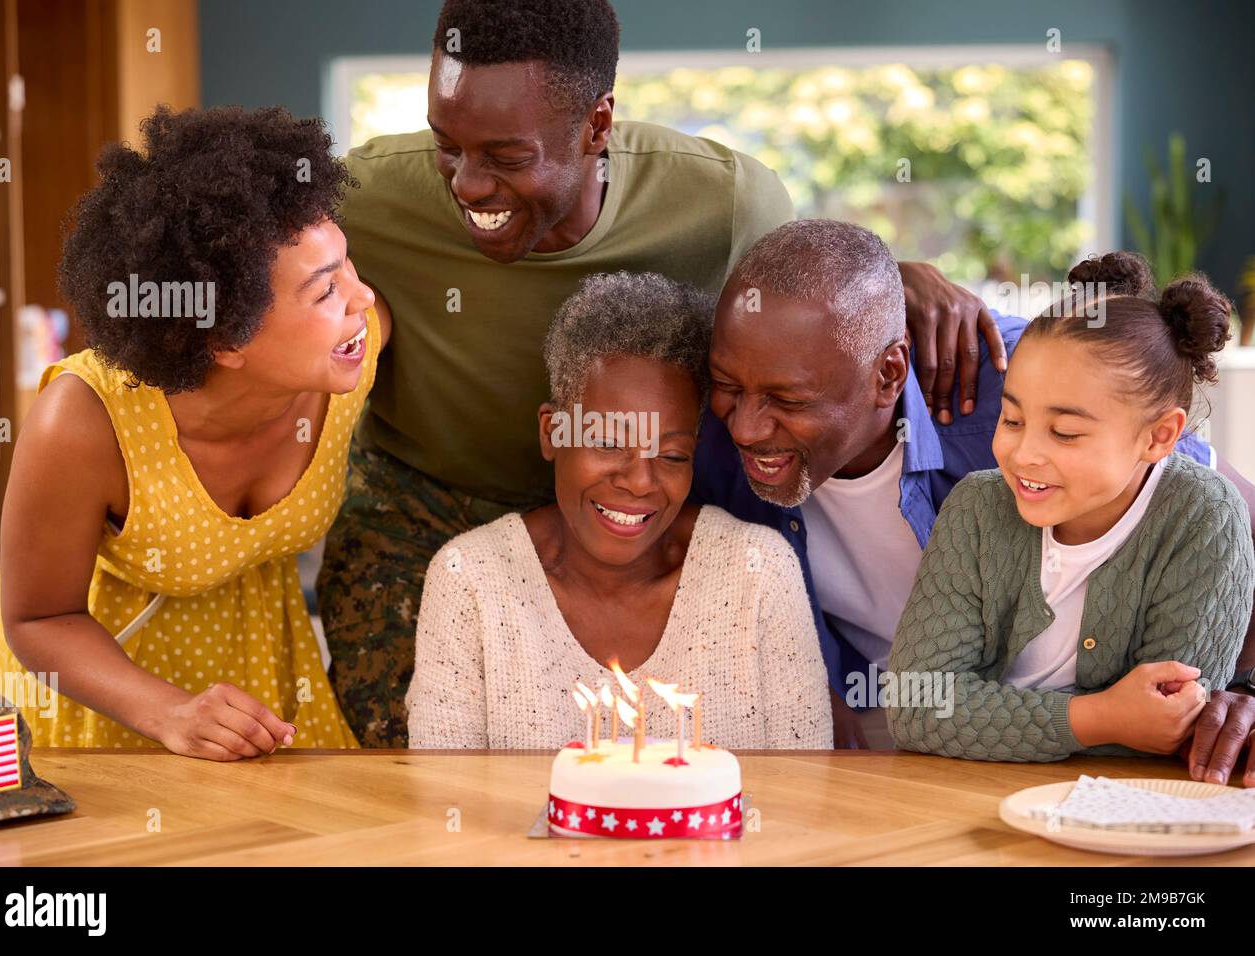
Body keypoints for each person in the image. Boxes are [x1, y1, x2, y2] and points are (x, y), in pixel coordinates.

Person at [320, 0, 1005, 747]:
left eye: (506, 157)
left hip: (640, 493)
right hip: (419, 504)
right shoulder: (365, 198)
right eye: (446, 144)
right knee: (409, 766)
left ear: (597, 127)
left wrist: (900, 280)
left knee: (630, 755)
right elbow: (284, 287)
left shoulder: (723, 201)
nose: (467, 184)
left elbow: (816, 293)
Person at [692, 221, 1254, 774]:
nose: (744, 426)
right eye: (727, 387)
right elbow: (923, 708)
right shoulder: (708, 439)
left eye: (786, 398)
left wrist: (1247, 688)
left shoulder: (1009, 373)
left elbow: (1172, 712)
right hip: (907, 727)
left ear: (890, 372)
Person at [0, 105, 386, 758]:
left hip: (257, 693)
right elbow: (37, 618)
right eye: (324, 292)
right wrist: (170, 713)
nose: (364, 298)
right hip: (99, 714)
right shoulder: (83, 423)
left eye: (349, 266)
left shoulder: (350, 355)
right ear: (224, 338)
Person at [405, 272, 832, 749]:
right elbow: (443, 800)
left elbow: (805, 796)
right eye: (608, 443)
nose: (640, 481)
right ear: (552, 432)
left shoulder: (759, 573)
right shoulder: (470, 581)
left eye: (672, 456)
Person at [886, 254, 1254, 760]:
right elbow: (915, 707)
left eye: (1064, 432)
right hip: (965, 797)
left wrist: (987, 716)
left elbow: (1168, 724)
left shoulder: (1203, 520)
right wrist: (1102, 717)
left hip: (1120, 813)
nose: (1023, 454)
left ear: (1159, 436)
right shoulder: (975, 507)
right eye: (1011, 420)